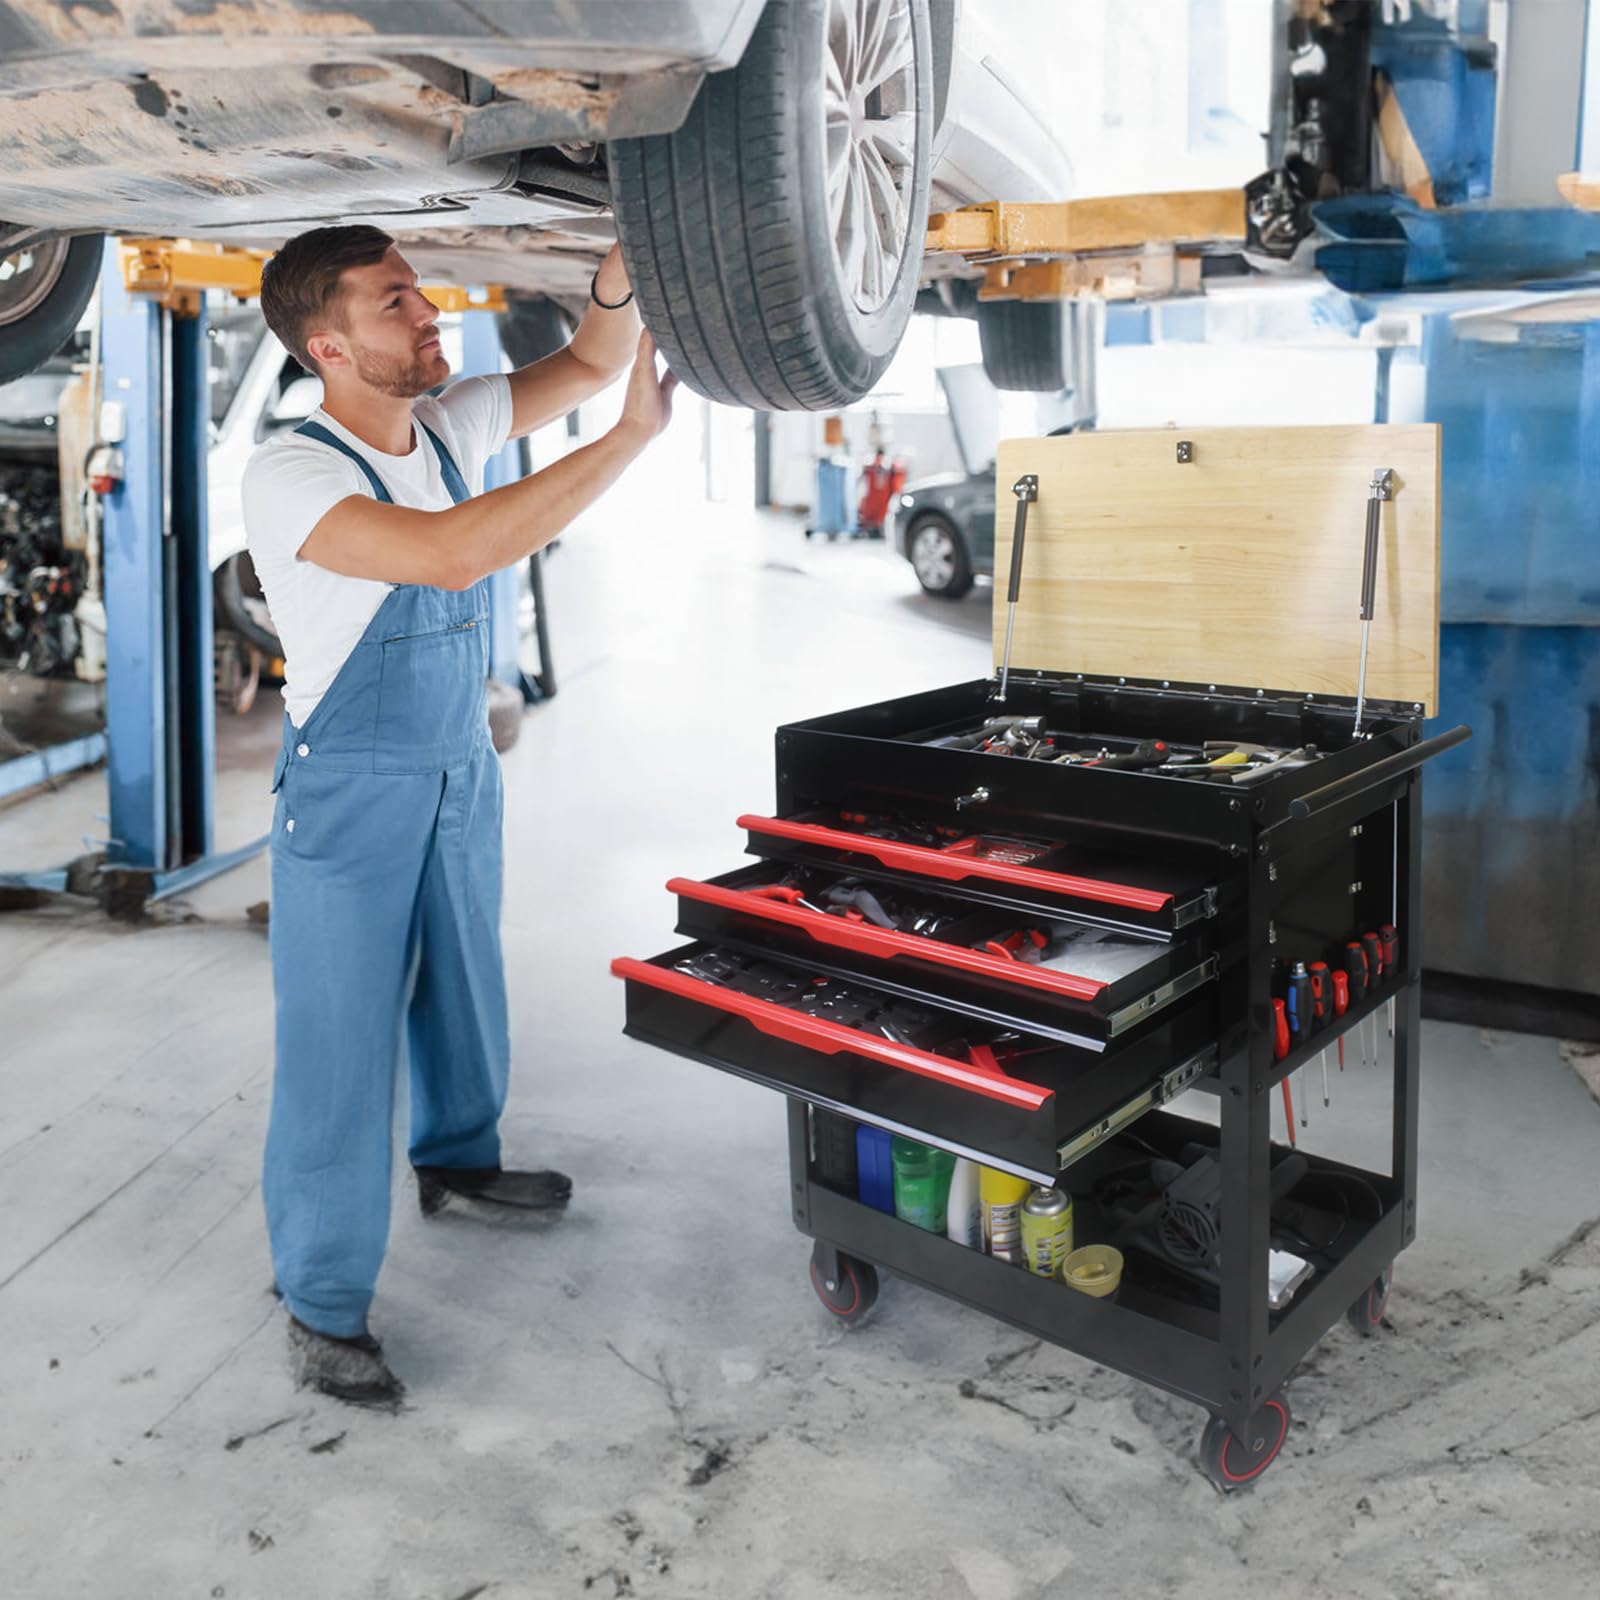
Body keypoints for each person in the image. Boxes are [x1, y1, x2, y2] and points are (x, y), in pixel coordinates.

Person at [242, 224, 676, 1405]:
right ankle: (322, 1301)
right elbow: (447, 555)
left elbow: (588, 361)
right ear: (327, 345)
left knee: (466, 978)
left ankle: (457, 1160)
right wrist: (630, 446)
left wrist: (627, 264)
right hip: (349, 787)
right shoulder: (294, 469)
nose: (427, 312)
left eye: (419, 290)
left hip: (453, 764)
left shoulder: (449, 423)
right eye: (395, 304)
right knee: (338, 1040)